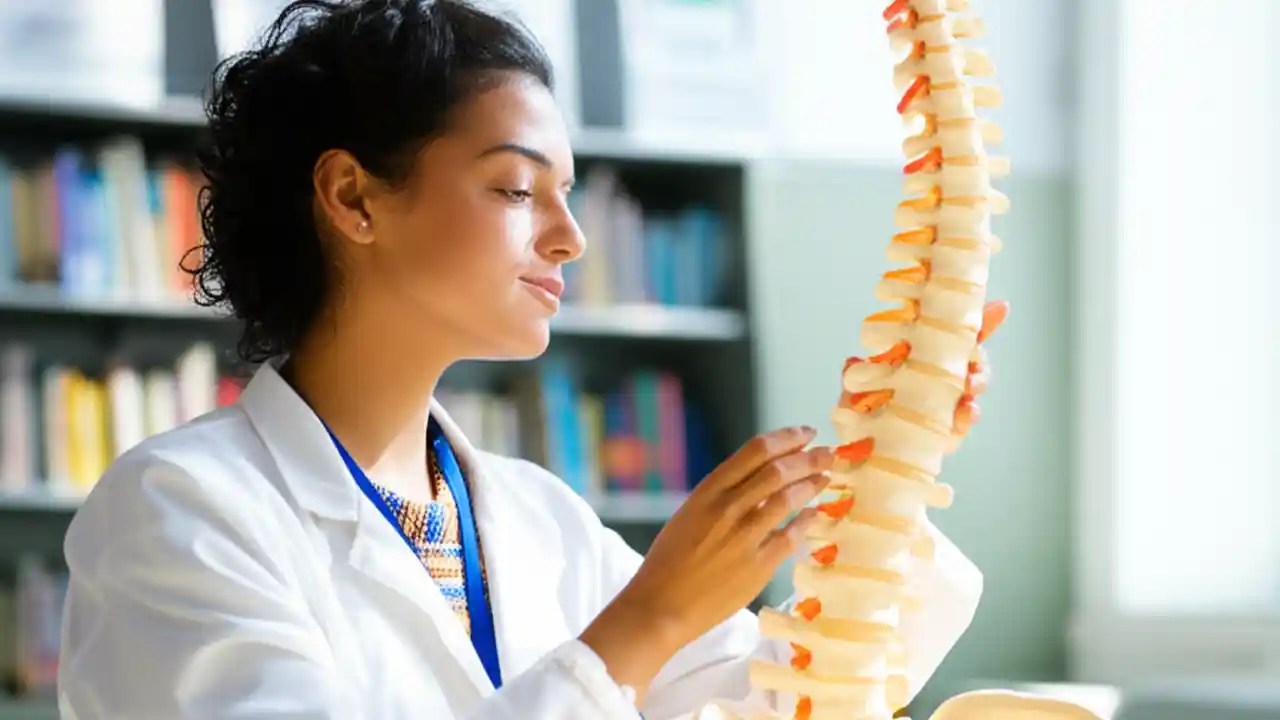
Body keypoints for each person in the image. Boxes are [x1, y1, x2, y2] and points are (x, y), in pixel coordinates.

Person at [56, 1, 1007, 718]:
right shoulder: (179, 510)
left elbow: (779, 703)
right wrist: (644, 625)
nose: (570, 239)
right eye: (516, 188)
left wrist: (892, 471)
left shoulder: (539, 520)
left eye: (569, 194)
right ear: (353, 197)